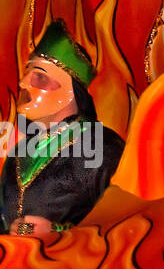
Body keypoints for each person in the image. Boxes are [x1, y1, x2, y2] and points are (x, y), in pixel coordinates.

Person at [0, 20, 125, 237]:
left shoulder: (106, 149)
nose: (23, 83)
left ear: (70, 93)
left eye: (39, 76)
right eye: (26, 72)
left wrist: (57, 231)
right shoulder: (17, 155)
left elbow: (124, 226)